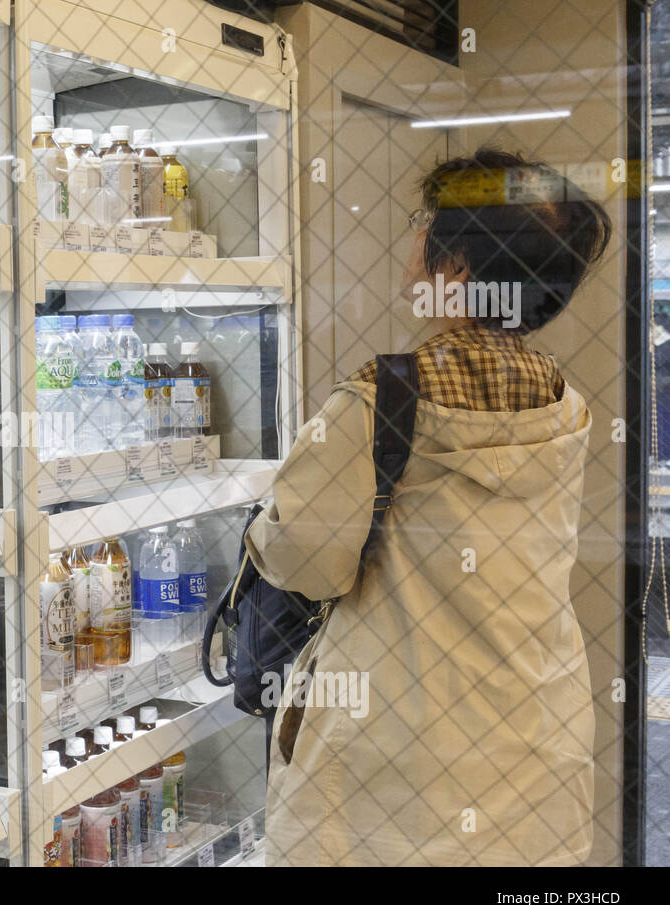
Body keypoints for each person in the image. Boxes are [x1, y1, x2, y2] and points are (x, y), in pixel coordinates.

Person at [245, 147, 612, 866]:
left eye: (424, 225)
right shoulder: (567, 403)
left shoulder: (384, 400)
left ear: (459, 267)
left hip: (398, 777)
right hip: (538, 748)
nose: (411, 243)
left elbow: (305, 564)